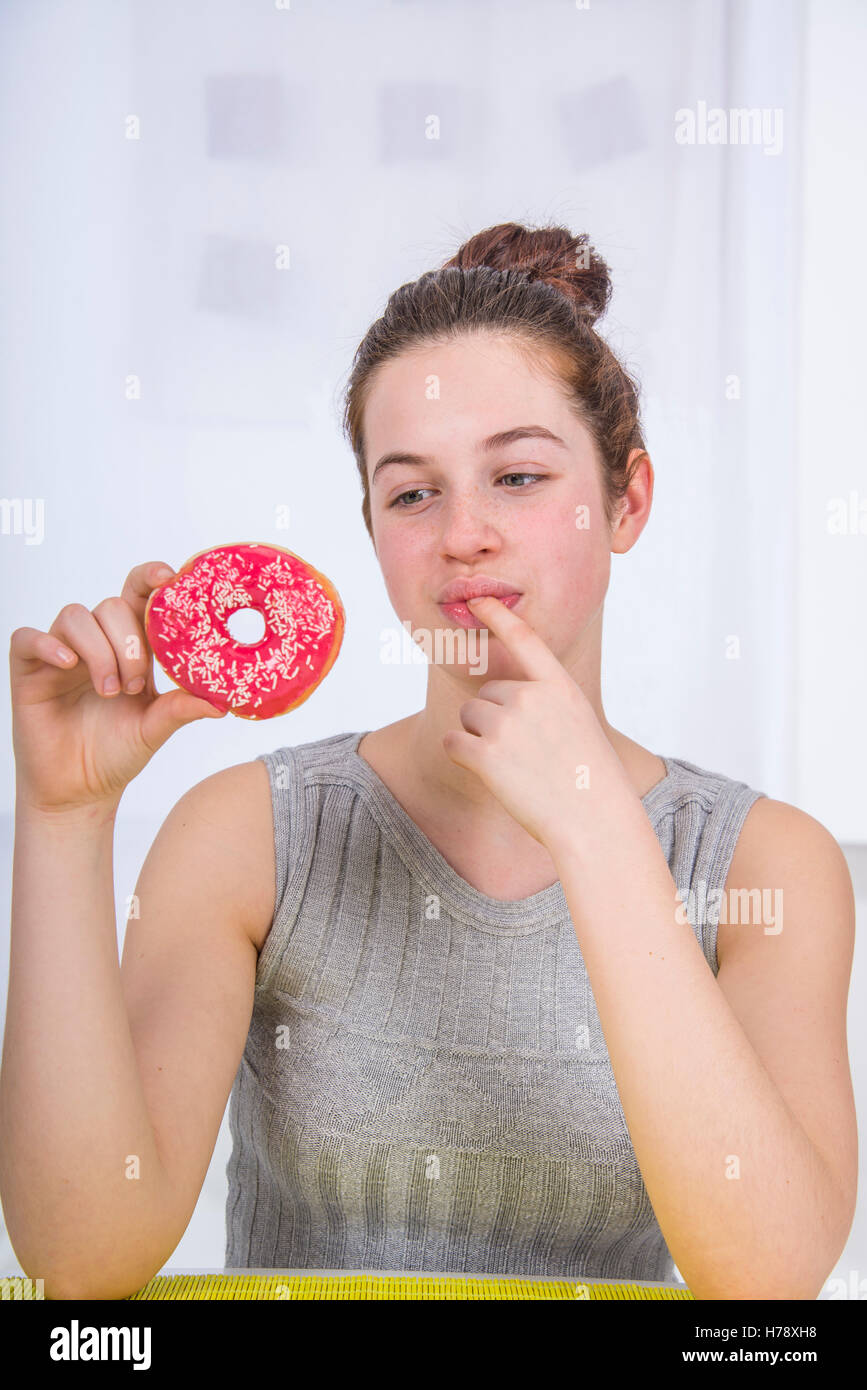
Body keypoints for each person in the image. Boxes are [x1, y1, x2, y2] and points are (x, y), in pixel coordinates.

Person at [2, 223, 856, 1302]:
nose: (464, 534)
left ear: (628, 500)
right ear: (372, 527)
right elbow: (80, 1258)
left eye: (519, 475)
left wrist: (593, 823)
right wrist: (64, 815)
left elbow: (771, 1281)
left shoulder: (764, 864)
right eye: (412, 493)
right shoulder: (249, 835)